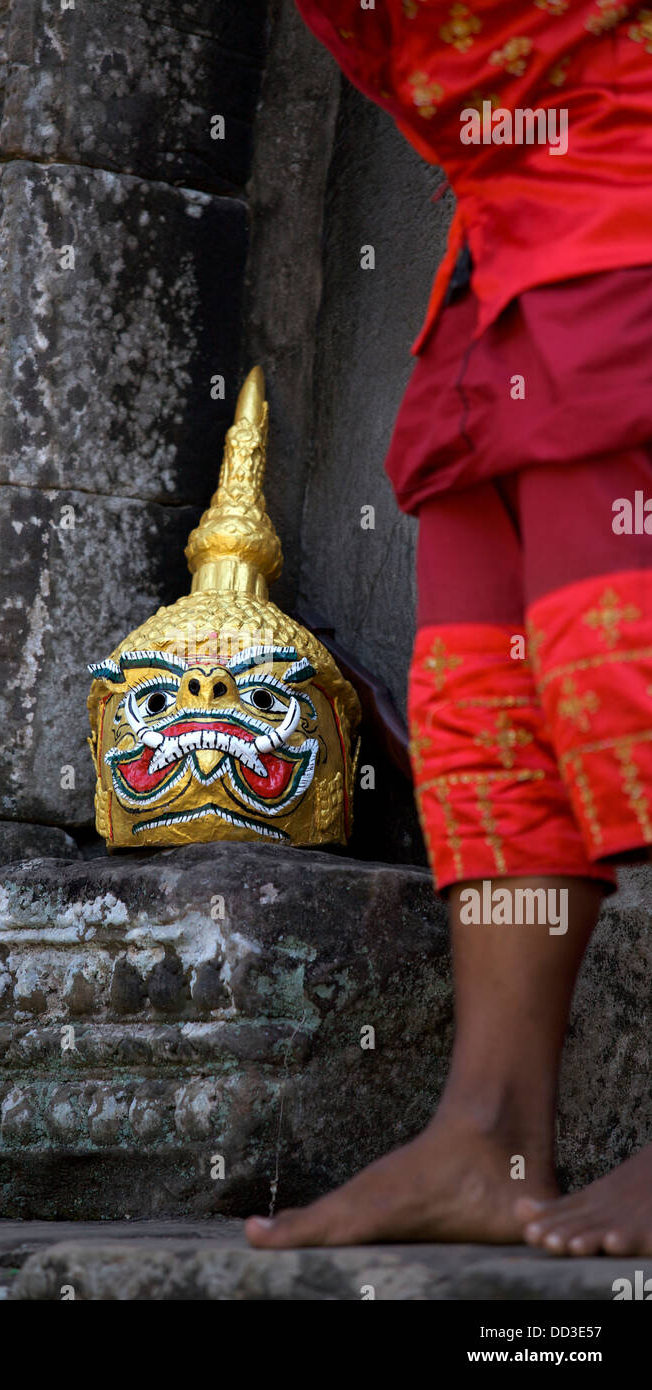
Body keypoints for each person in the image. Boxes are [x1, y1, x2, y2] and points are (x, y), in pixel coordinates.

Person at [245, 0, 652, 1255]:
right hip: (507, 206)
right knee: (489, 696)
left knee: (625, 659)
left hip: (620, 161)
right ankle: (489, 1132)